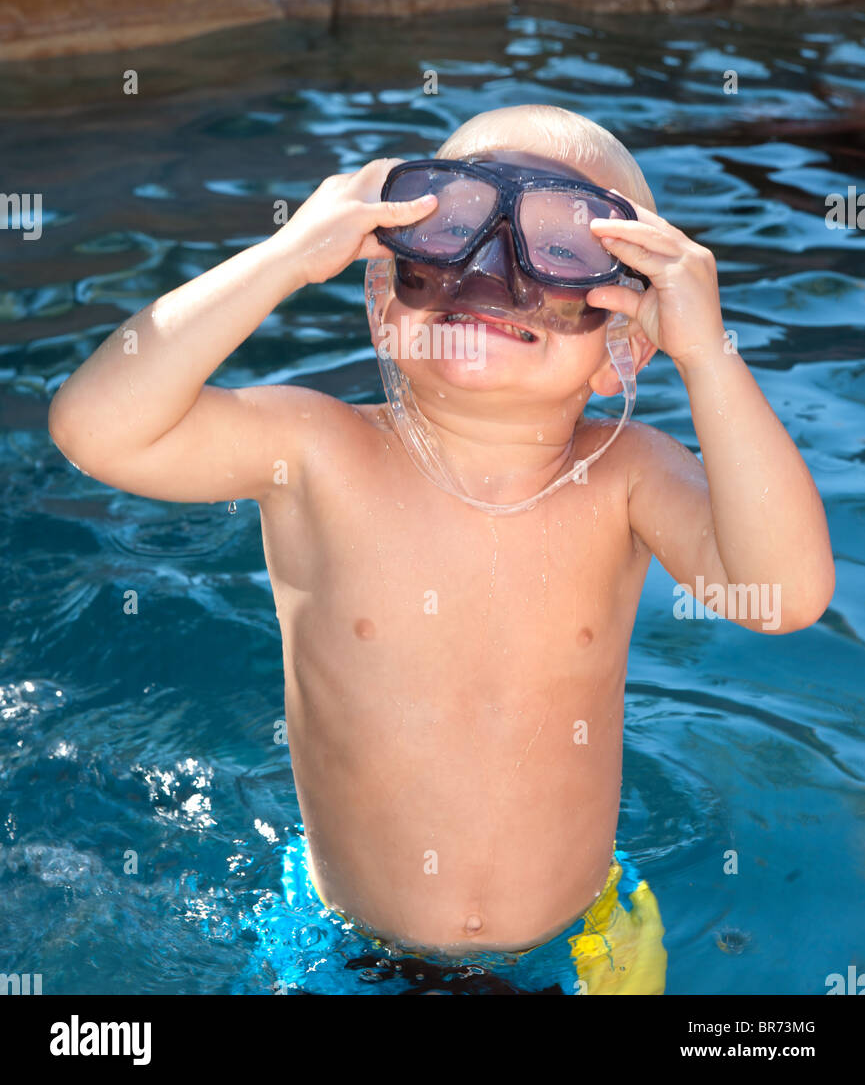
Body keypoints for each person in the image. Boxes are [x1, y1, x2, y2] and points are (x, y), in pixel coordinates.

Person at [48, 104, 834, 994]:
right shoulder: (316, 452)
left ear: (624, 346)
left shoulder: (627, 476)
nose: (492, 274)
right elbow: (94, 431)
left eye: (560, 248)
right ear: (386, 304)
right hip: (345, 947)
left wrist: (709, 357)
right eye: (450, 232)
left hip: (576, 946)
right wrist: (284, 258)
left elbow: (785, 595)